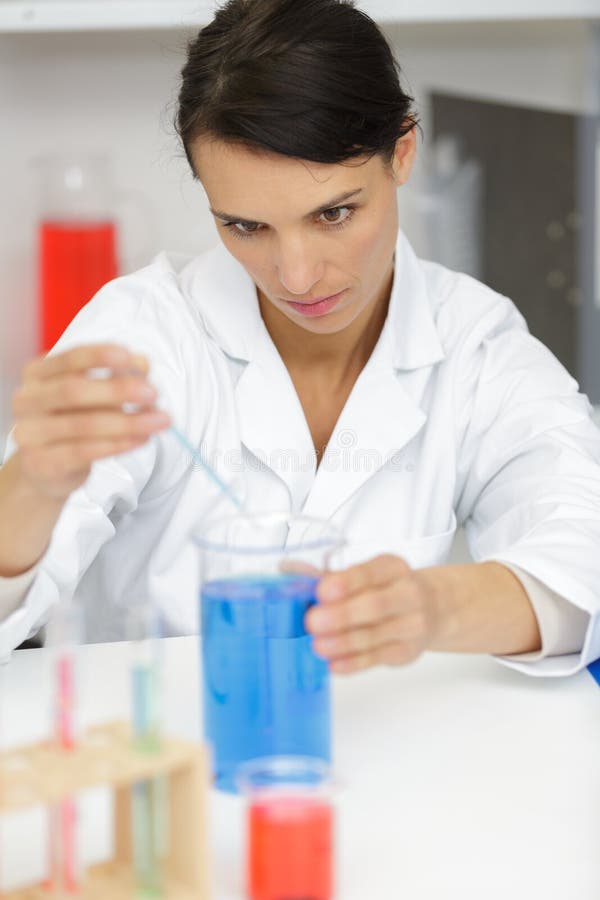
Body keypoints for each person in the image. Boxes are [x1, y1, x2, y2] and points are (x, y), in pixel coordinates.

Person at [0, 0, 597, 675]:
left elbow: (584, 553)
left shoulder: (474, 345)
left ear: (402, 150)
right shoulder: (145, 335)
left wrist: (432, 607)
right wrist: (34, 485)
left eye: (334, 213)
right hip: (161, 755)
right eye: (246, 226)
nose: (298, 275)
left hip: (384, 761)